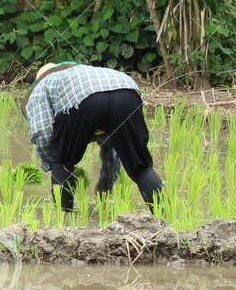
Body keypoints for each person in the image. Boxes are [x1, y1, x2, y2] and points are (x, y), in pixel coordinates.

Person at [25, 62, 163, 212]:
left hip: (87, 100)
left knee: (62, 161)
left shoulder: (41, 87)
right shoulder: (85, 74)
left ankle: (63, 220)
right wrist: (106, 185)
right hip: (128, 93)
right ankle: (165, 219)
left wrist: (53, 162)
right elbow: (112, 143)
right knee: (141, 168)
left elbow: (42, 130)